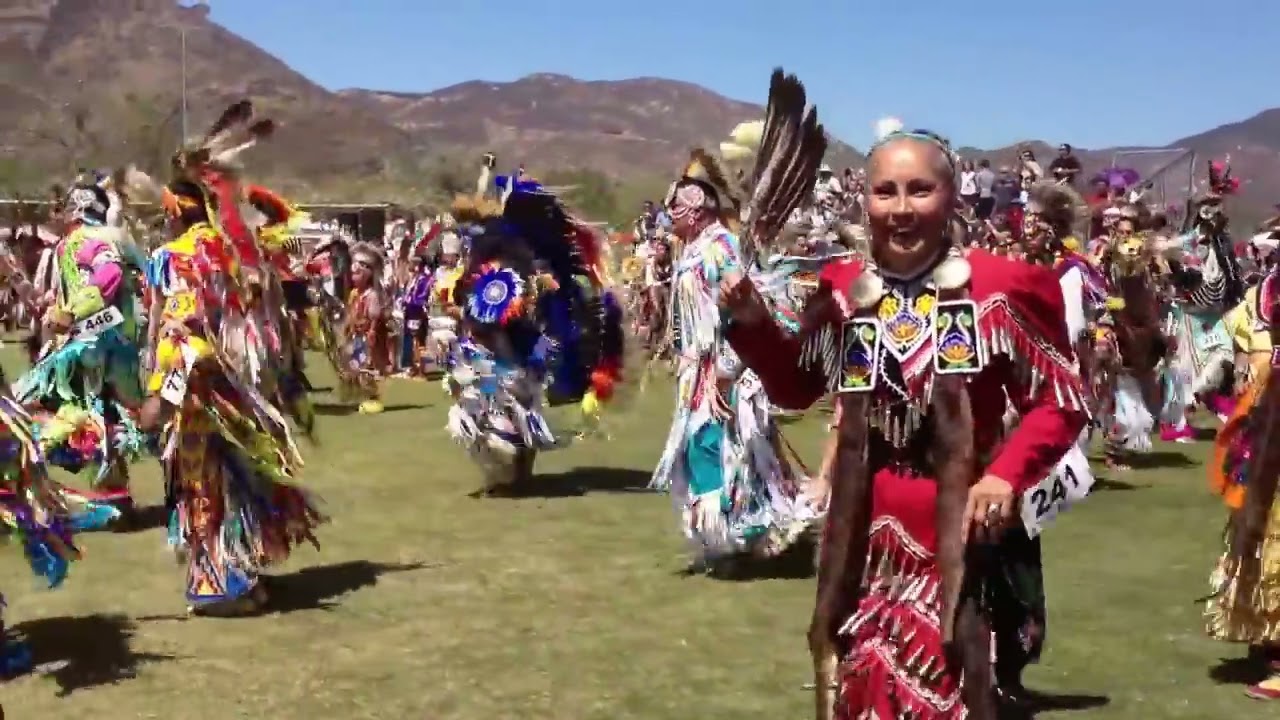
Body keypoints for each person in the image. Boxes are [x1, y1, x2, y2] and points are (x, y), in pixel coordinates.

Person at [719, 127, 1088, 718]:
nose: (901, 208)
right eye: (885, 192)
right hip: (863, 536)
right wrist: (752, 323)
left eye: (920, 190)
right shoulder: (844, 290)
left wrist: (1006, 476)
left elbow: (1062, 401)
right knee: (861, 687)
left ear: (952, 197)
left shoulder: (1001, 287)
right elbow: (795, 385)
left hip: (960, 533)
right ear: (864, 200)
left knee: (950, 686)